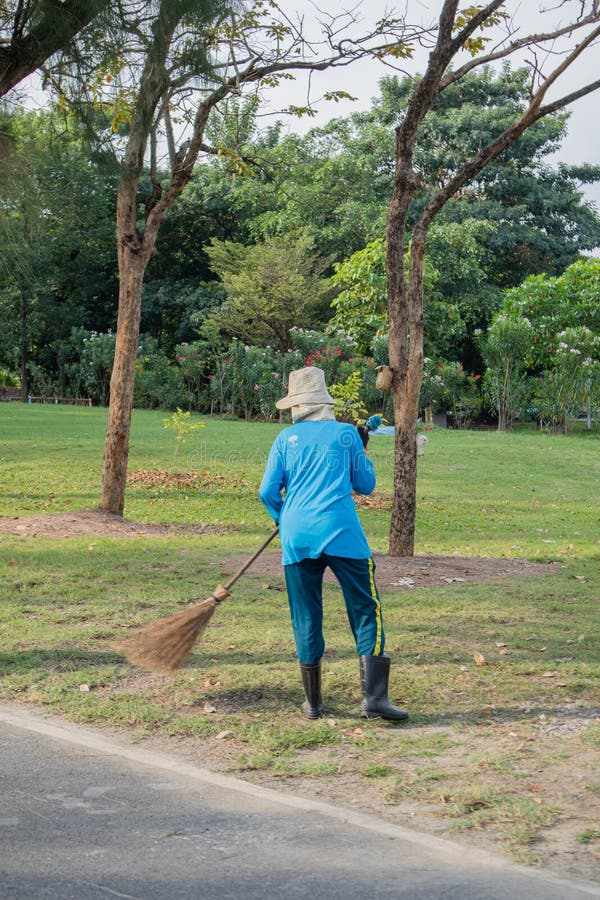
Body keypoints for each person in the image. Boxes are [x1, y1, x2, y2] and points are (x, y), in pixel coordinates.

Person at [258, 366, 409, 722]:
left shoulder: (284, 439)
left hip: (297, 535)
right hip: (341, 532)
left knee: (306, 615)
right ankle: (374, 700)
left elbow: (267, 491)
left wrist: (283, 519)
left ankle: (312, 703)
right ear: (325, 401)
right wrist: (361, 449)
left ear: (295, 406)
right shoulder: (346, 435)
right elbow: (366, 485)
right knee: (365, 608)